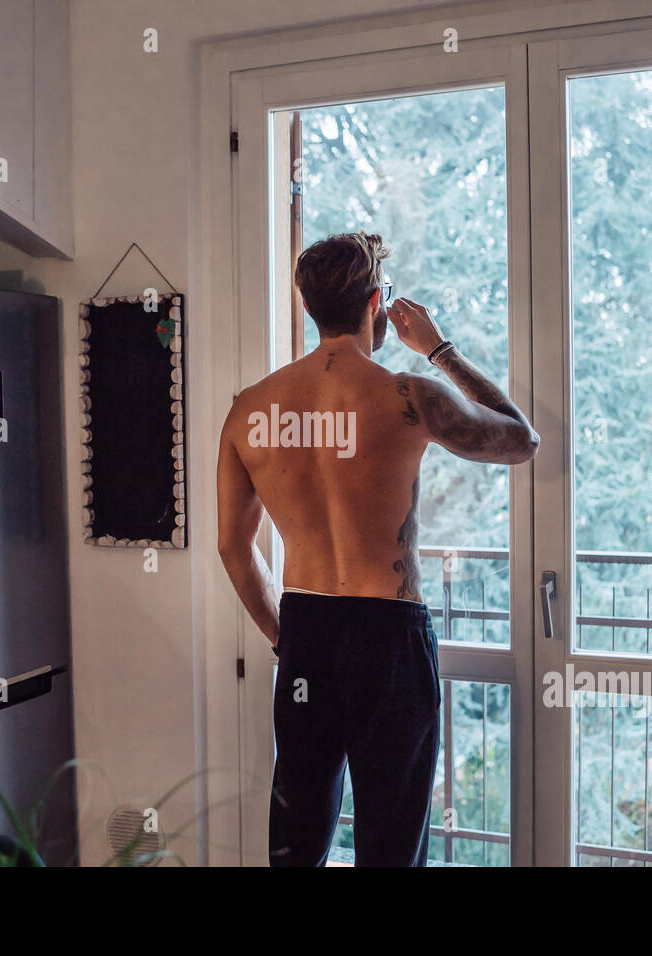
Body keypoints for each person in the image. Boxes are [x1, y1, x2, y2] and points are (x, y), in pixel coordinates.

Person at [216, 230, 540, 866]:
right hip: (388, 635)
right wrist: (439, 349)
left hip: (306, 627)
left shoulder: (250, 410)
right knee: (391, 841)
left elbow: (233, 547)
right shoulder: (408, 397)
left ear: (309, 309)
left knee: (296, 837)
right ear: (375, 303)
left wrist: (286, 639)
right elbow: (521, 440)